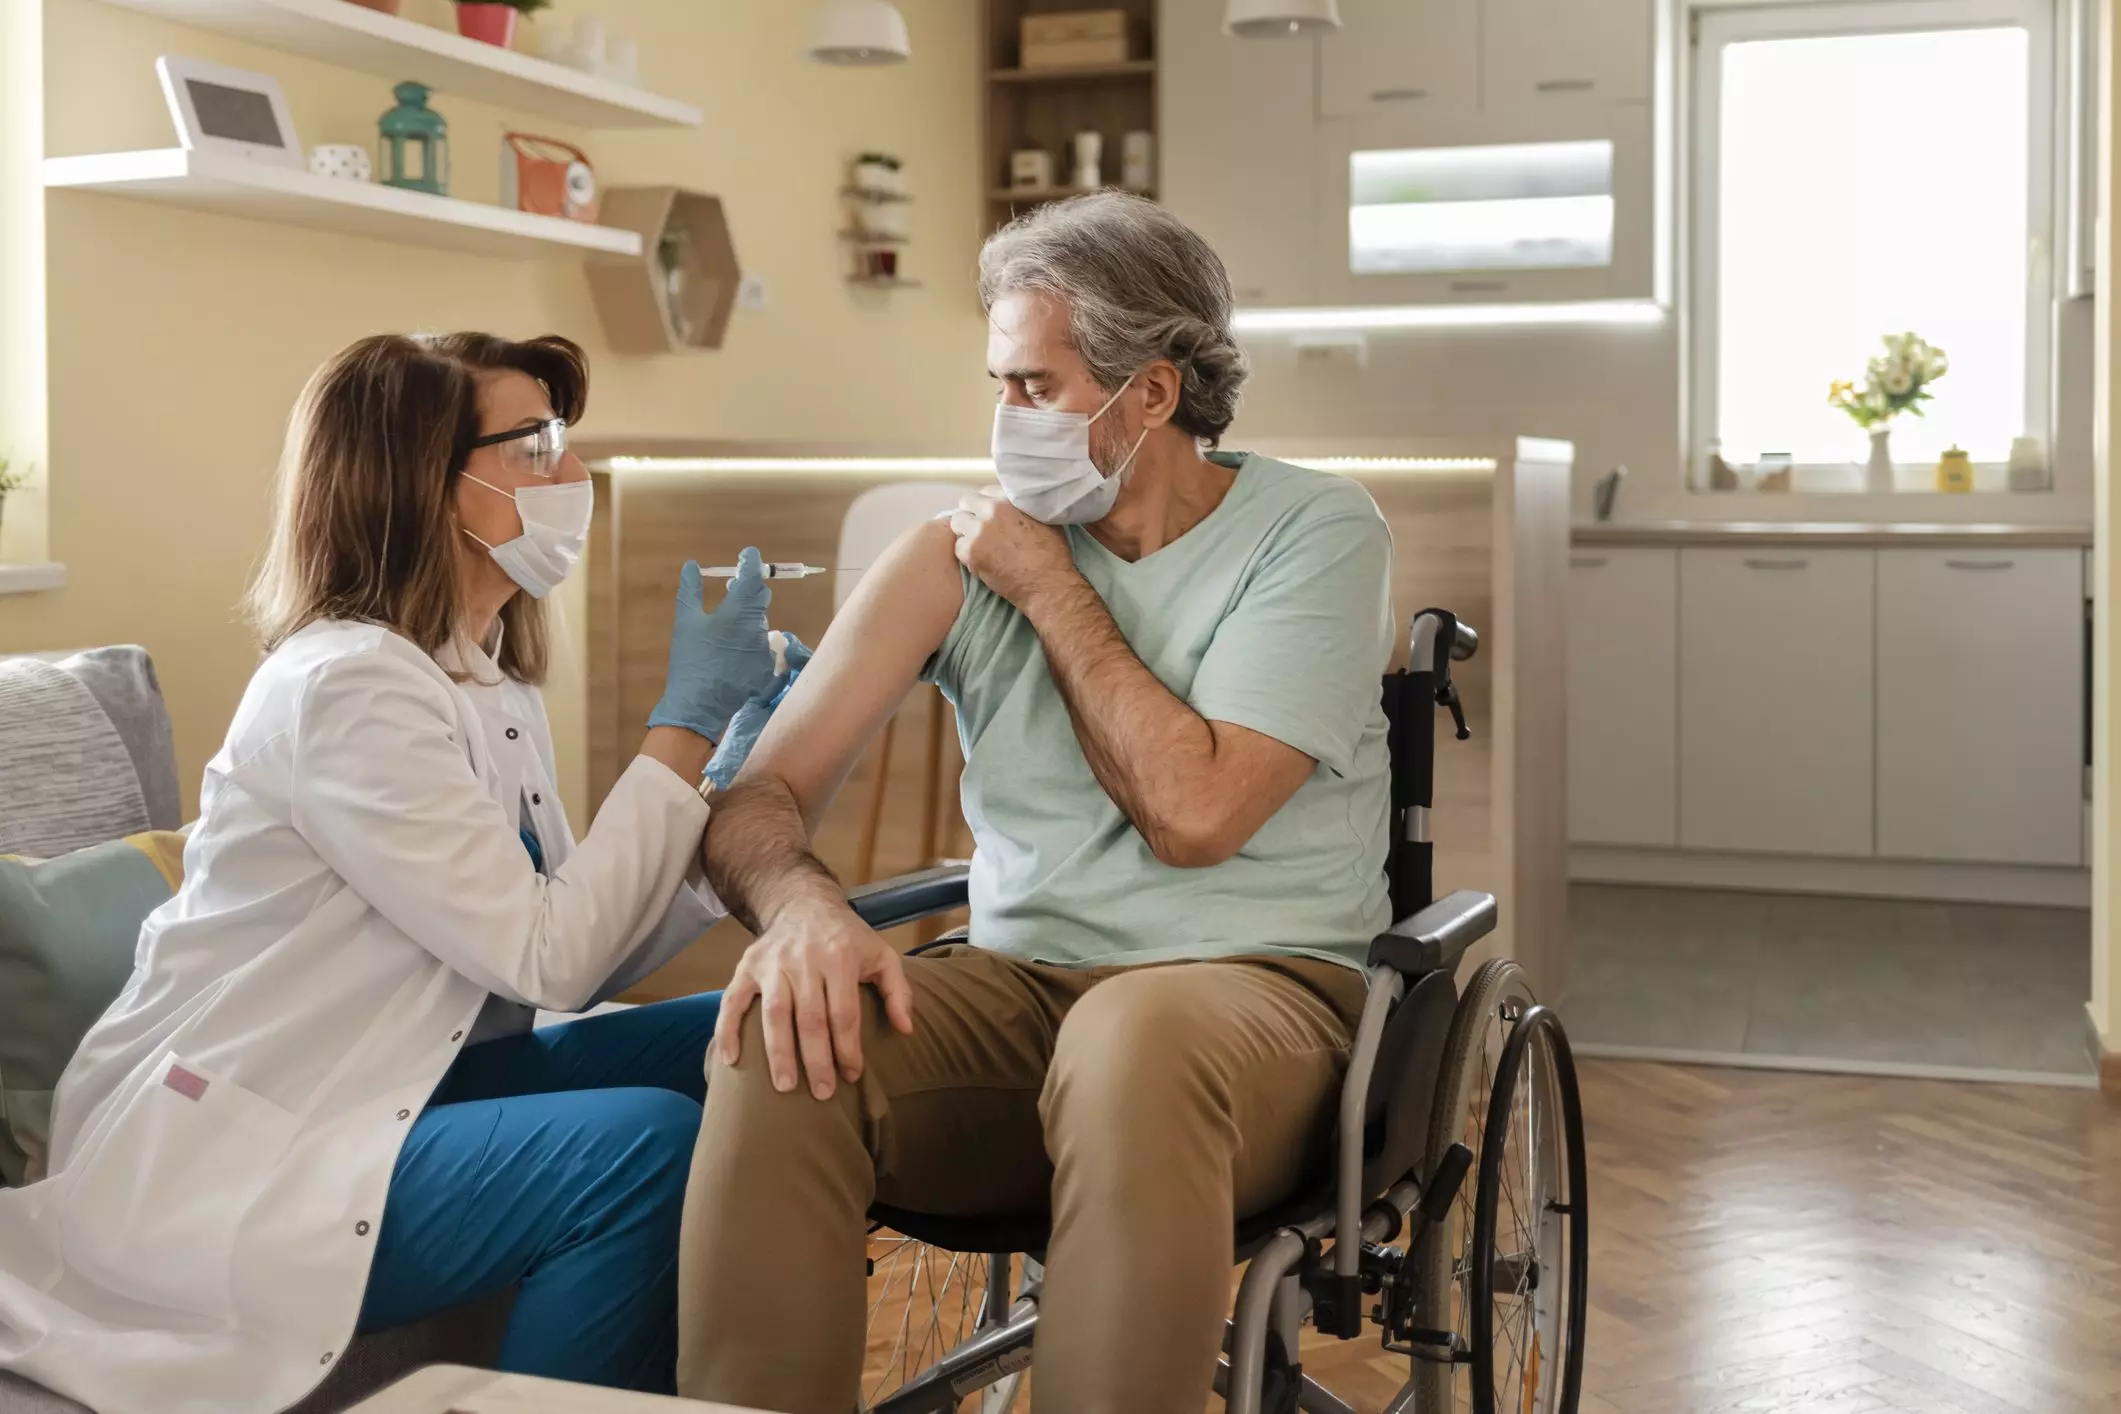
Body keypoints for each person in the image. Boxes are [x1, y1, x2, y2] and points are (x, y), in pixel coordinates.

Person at [678, 193, 1396, 1413]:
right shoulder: (947, 555)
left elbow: (1195, 815)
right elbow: (759, 796)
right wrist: (800, 910)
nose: (1002, 424)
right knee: (786, 1036)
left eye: (1035, 388)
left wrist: (1050, 588)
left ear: (1153, 396)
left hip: (1265, 996)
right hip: (1024, 993)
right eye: (997, 385)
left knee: (1133, 1039)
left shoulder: (1314, 533)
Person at [0, 333, 799, 1414]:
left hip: (391, 1087)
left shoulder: (484, 684)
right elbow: (552, 959)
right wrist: (681, 724)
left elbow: (574, 934)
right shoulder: (345, 688)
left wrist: (725, 776)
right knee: (641, 1151)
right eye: (537, 444)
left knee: (755, 1030)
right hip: (236, 1156)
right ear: (426, 481)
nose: (575, 475)